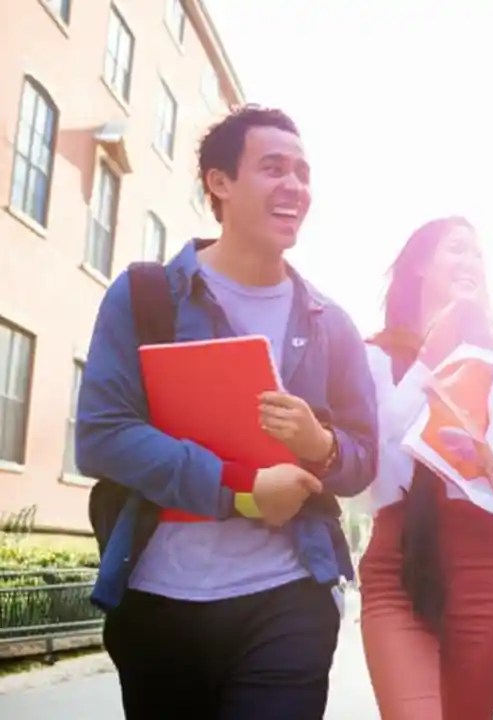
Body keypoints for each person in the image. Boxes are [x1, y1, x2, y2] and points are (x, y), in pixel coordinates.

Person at [76, 106, 377, 719]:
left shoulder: (331, 325)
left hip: (288, 598)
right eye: (273, 168)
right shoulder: (144, 297)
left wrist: (321, 444)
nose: (295, 186)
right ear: (220, 182)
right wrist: (238, 486)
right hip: (159, 602)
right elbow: (103, 436)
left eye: (303, 172)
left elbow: (362, 459)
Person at [360, 217, 493, 720]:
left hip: (482, 567)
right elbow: (374, 459)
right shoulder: (377, 356)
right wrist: (426, 362)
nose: (471, 263)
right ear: (419, 266)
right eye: (456, 250)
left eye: (478, 254)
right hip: (397, 563)